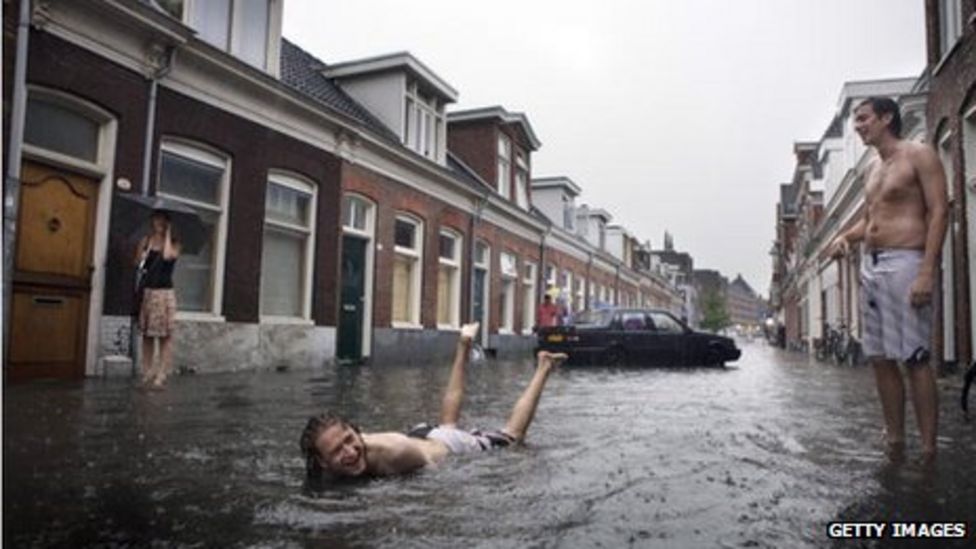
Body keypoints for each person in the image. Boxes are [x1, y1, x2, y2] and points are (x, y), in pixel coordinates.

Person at [828, 97, 948, 461]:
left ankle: (928, 449)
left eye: (863, 119)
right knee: (880, 358)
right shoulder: (872, 170)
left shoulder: (919, 154)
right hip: (872, 265)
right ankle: (895, 439)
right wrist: (847, 237)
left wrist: (927, 270)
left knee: (914, 357)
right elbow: (871, 220)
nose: (859, 126)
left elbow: (940, 209)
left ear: (886, 118)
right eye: (856, 121)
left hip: (906, 262)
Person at [299, 323, 568, 479]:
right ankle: (463, 345)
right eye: (337, 450)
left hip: (441, 448)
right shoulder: (329, 461)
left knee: (512, 436)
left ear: (356, 432)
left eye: (348, 440)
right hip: (423, 433)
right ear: (321, 461)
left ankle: (543, 367)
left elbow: (432, 468)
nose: (350, 451)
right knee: (447, 423)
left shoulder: (393, 456)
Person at [133, 210, 181, 388]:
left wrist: (167, 235)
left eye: (163, 220)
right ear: (152, 220)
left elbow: (168, 256)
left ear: (168, 223)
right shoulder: (146, 241)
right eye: (156, 219)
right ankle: (147, 371)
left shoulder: (175, 244)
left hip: (164, 293)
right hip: (148, 292)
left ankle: (161, 373)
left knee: (164, 336)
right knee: (147, 334)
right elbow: (137, 263)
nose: (158, 222)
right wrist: (142, 256)